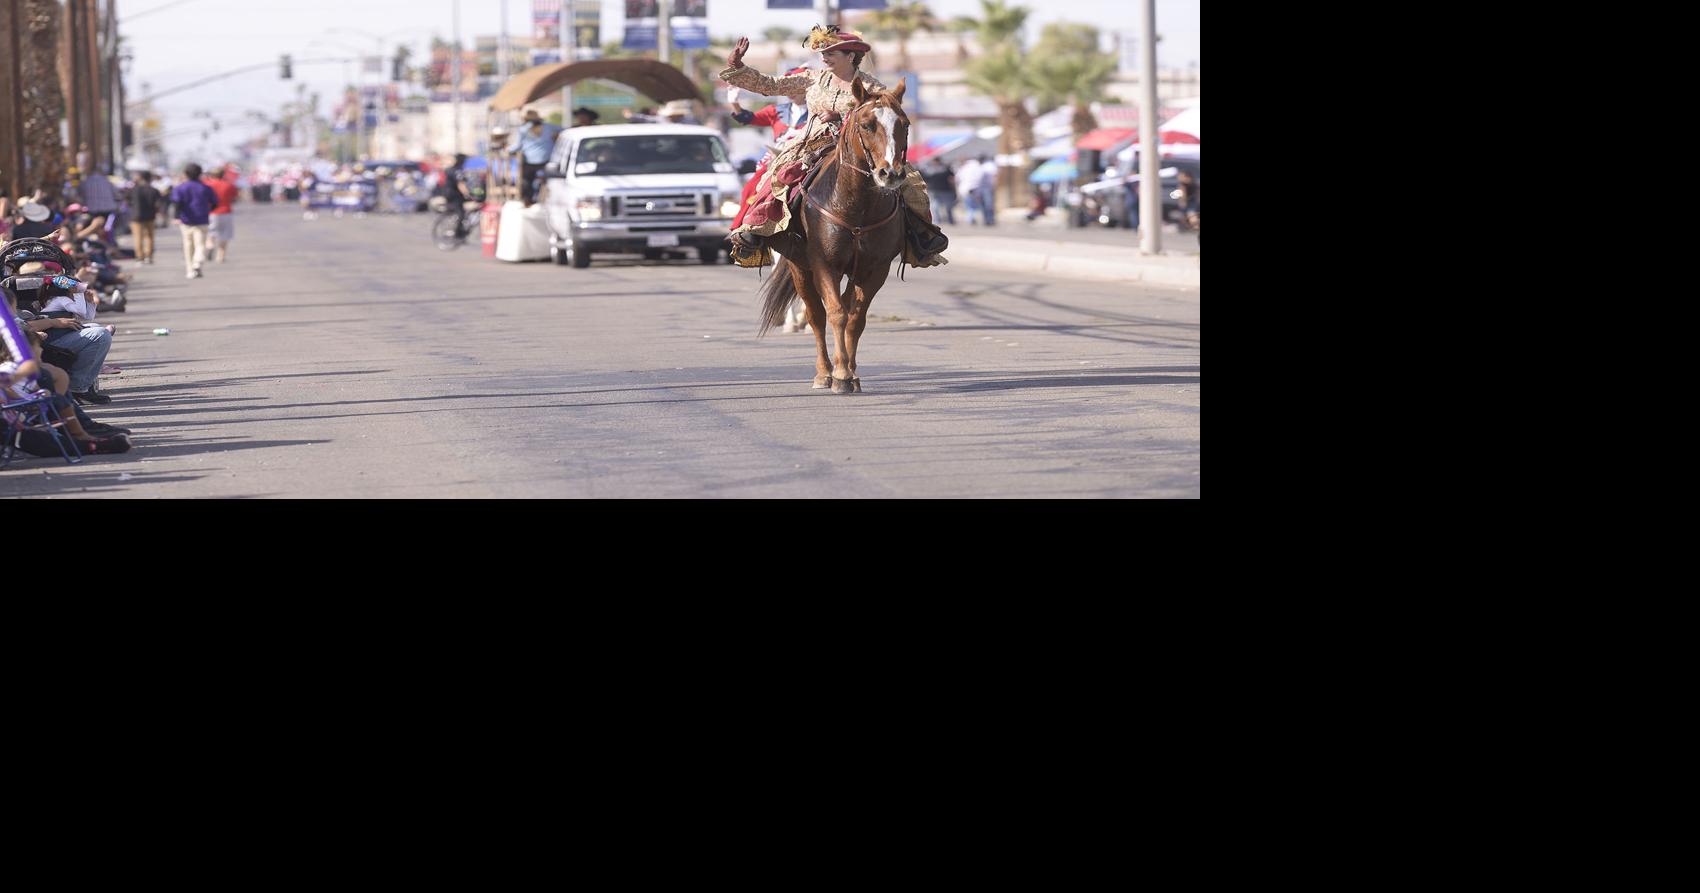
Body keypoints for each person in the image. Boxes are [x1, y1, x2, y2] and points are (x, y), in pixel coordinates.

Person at [719, 25, 948, 268]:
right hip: (810, 142)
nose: (824, 58)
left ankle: (922, 236)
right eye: (823, 53)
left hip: (860, 146)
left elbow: (886, 117)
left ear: (850, 56)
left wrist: (841, 118)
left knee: (910, 182)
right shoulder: (812, 78)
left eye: (830, 53)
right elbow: (770, 85)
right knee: (776, 174)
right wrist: (738, 66)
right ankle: (756, 229)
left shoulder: (873, 88)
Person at [169, 163, 219, 280]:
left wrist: (176, 217)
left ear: (186, 174)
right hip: (202, 220)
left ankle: (190, 270)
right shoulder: (205, 188)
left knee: (188, 245)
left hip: (186, 220)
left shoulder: (180, 188)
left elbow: (176, 203)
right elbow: (215, 203)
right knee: (200, 244)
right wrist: (207, 210)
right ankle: (197, 263)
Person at [516, 109, 561, 207]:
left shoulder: (523, 129)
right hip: (546, 160)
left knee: (527, 181)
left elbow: (518, 146)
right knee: (549, 181)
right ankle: (548, 199)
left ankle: (528, 200)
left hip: (530, 161)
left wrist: (508, 149)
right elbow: (564, 130)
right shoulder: (549, 127)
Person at [203, 164, 239, 262]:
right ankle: (220, 256)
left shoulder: (207, 185)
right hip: (226, 212)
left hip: (211, 212)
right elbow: (234, 197)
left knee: (210, 233)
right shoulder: (229, 185)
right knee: (225, 235)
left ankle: (210, 246)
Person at [128, 172, 161, 265]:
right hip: (150, 215)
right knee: (149, 236)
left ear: (140, 178)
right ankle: (148, 256)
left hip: (136, 216)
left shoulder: (134, 189)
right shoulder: (154, 190)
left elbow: (127, 200)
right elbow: (158, 204)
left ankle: (139, 257)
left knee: (137, 237)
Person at [921, 160, 957, 225]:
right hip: (937, 190)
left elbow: (951, 178)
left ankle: (945, 220)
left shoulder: (929, 170)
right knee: (936, 207)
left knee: (945, 207)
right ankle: (942, 220)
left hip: (943, 190)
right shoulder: (945, 169)